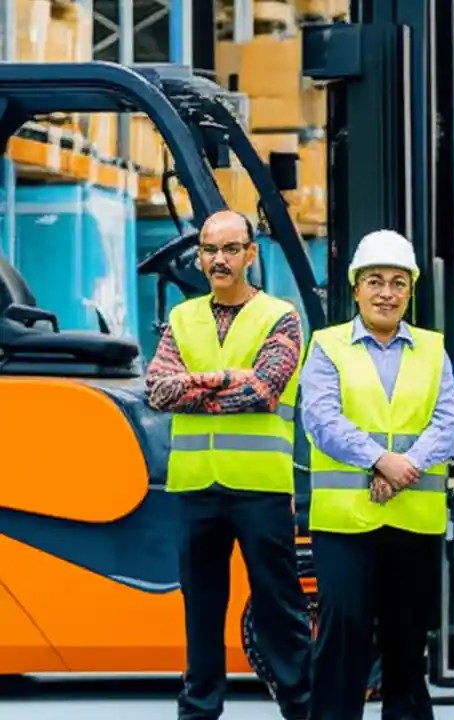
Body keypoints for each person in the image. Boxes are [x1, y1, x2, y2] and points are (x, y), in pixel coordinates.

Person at [145, 210, 312, 720]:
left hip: (259, 487)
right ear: (201, 256)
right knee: (201, 608)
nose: (219, 259)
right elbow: (158, 388)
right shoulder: (183, 317)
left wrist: (197, 384)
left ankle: (303, 707)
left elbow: (263, 391)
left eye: (231, 249)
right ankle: (198, 709)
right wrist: (226, 378)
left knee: (278, 605)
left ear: (251, 253)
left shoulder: (280, 316)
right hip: (197, 486)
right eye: (211, 250)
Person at [299, 229, 454, 720]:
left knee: (407, 645)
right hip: (346, 523)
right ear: (355, 288)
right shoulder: (327, 347)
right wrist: (379, 459)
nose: (386, 292)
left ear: (410, 289)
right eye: (375, 281)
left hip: (413, 520)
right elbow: (322, 420)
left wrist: (403, 467)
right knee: (342, 634)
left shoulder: (432, 350)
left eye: (397, 282)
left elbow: (447, 422)